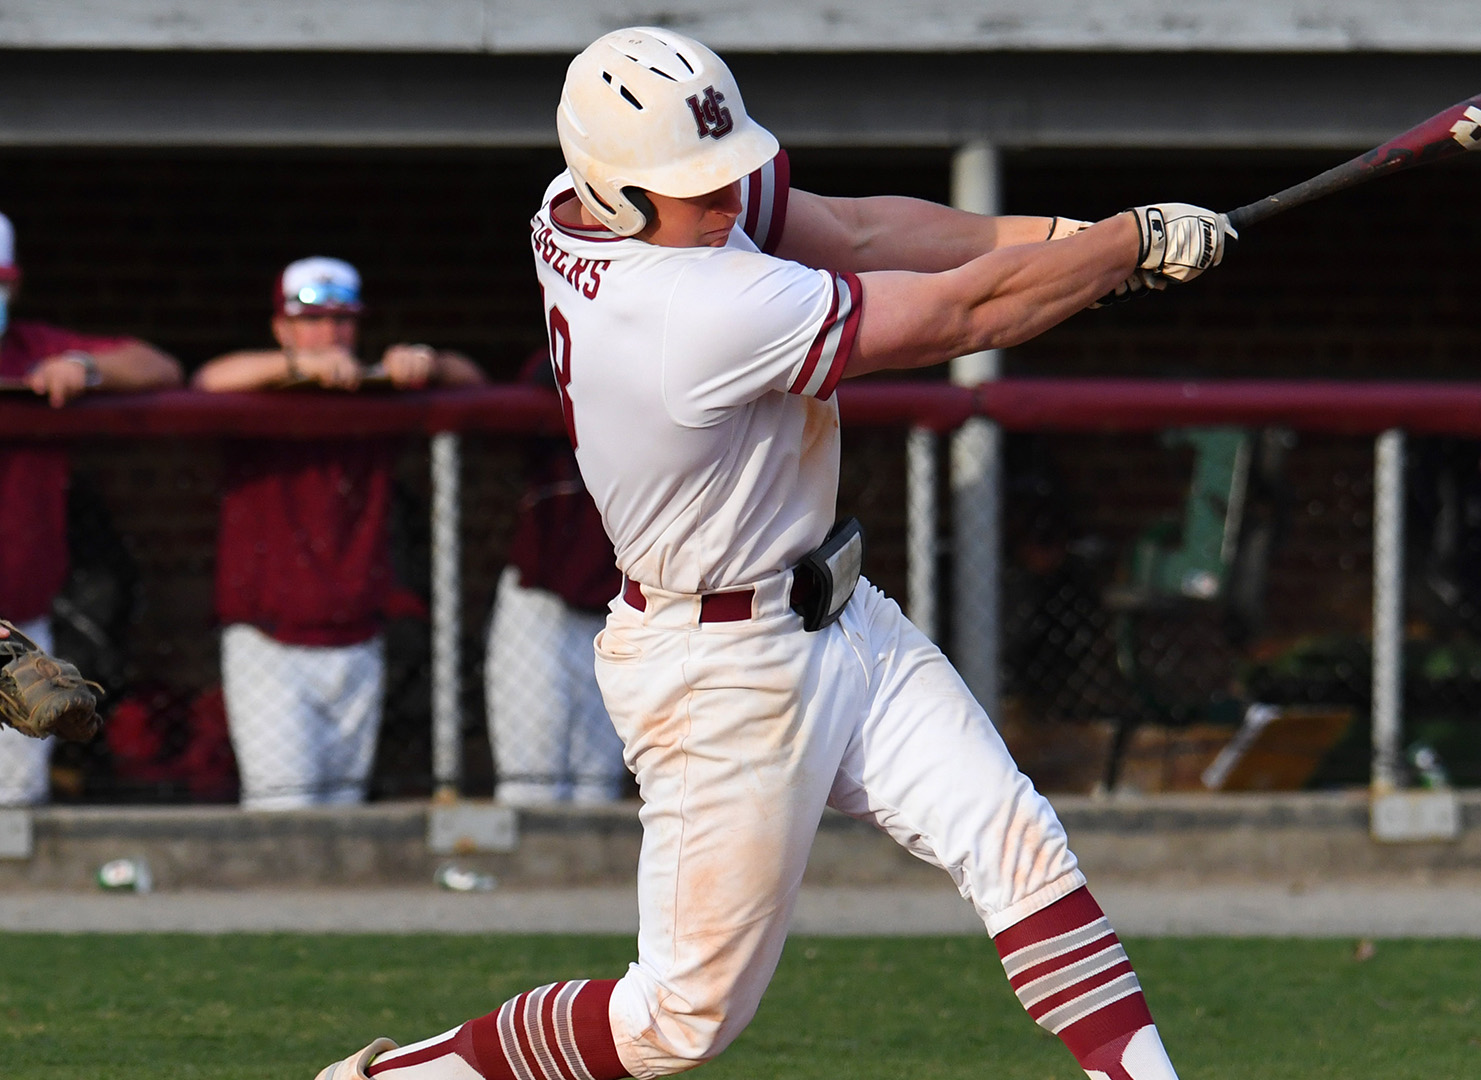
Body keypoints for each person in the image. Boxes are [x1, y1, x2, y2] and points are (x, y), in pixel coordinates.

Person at [318, 26, 1230, 1080]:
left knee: (1016, 844)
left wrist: (1078, 242)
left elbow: (855, 227)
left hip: (839, 613)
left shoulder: (597, 200)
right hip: (718, 673)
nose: (727, 200)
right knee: (674, 1025)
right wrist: (1121, 246)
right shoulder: (685, 309)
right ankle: (404, 1079)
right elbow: (957, 312)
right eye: (698, 188)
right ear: (618, 195)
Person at [193, 257, 485, 811]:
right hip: (269, 642)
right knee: (283, 811)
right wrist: (296, 367)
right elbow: (206, 379)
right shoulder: (258, 391)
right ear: (282, 328)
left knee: (344, 813)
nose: (328, 334)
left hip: (358, 637)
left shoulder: (373, 391)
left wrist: (426, 361)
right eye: (312, 319)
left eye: (341, 320)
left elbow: (470, 380)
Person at [0, 204, 181, 806]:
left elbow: (157, 364)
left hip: (12, 624)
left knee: (9, 811)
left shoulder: (32, 347)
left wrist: (81, 367)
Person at [484, 349, 628, 806]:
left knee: (598, 789)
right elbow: (542, 376)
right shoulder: (566, 350)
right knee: (532, 787)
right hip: (541, 606)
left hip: (621, 610)